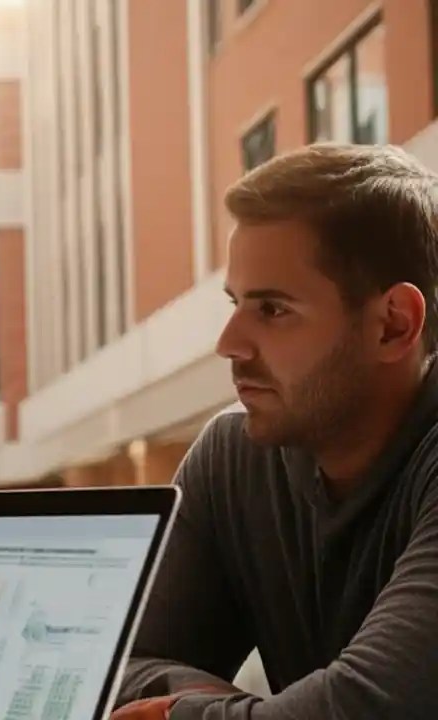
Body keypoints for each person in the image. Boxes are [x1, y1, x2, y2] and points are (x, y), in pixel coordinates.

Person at [112, 143, 438, 719]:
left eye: (273, 310)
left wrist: (181, 714)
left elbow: (369, 708)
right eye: (236, 303)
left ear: (393, 325)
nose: (228, 344)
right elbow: (117, 665)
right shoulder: (231, 460)